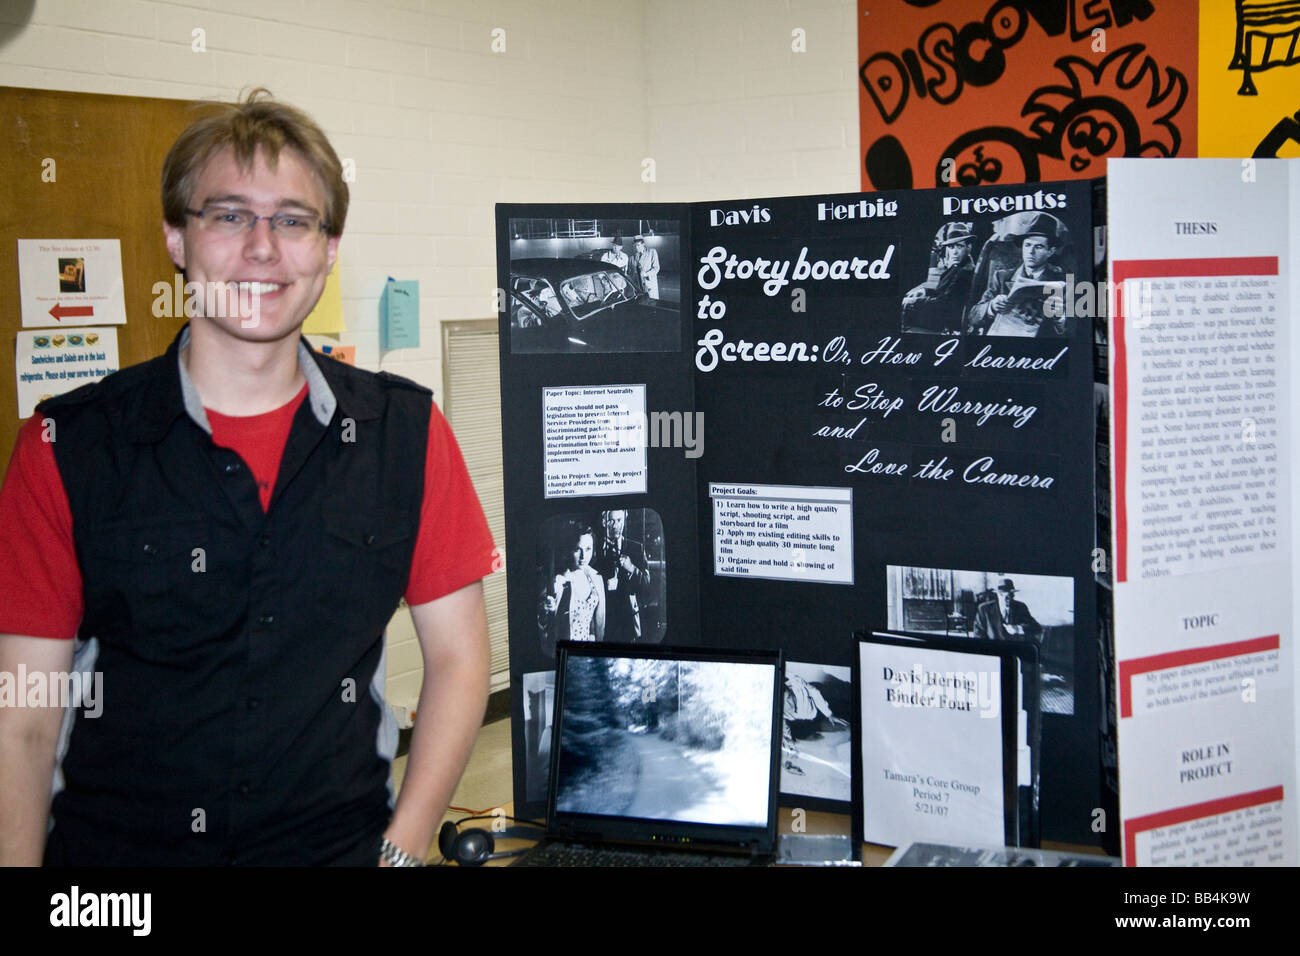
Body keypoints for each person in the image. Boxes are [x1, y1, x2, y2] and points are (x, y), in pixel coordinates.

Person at [0, 90, 494, 867]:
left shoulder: (406, 435)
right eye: (229, 216)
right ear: (175, 236)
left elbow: (462, 661)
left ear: (329, 249)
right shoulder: (68, 445)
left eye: (294, 220)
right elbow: (24, 715)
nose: (263, 248)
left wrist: (397, 855)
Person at [967, 212, 1068, 337]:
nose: (1030, 252)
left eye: (1039, 247)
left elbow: (1075, 331)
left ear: (1050, 251)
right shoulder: (1002, 277)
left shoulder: (1061, 282)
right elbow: (972, 317)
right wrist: (992, 306)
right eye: (1027, 245)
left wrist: (1060, 318)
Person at [539, 524, 605, 656]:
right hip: (567, 652)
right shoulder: (560, 580)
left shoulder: (596, 578)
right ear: (569, 550)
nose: (583, 556)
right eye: (577, 549)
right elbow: (543, 620)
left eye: (588, 549)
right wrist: (545, 607)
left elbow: (599, 621)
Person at [901, 222, 976, 334]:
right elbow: (942, 292)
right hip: (939, 315)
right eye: (951, 247)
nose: (954, 251)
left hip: (943, 324)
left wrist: (913, 301)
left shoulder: (965, 272)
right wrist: (924, 291)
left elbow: (944, 304)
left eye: (959, 246)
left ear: (969, 247)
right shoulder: (958, 265)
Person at [590, 509, 650, 643]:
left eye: (619, 520)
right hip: (602, 621)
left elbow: (647, 585)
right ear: (604, 522)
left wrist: (632, 568)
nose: (616, 525)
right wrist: (604, 585)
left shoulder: (637, 548)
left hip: (627, 623)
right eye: (612, 521)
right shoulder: (593, 548)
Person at [972, 579, 1043, 643]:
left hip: (1014, 649)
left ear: (1013, 595)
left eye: (1010, 595)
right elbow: (978, 634)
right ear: (998, 595)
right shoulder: (984, 609)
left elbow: (1036, 627)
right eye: (1003, 596)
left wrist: (1018, 628)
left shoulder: (1021, 607)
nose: (1008, 599)